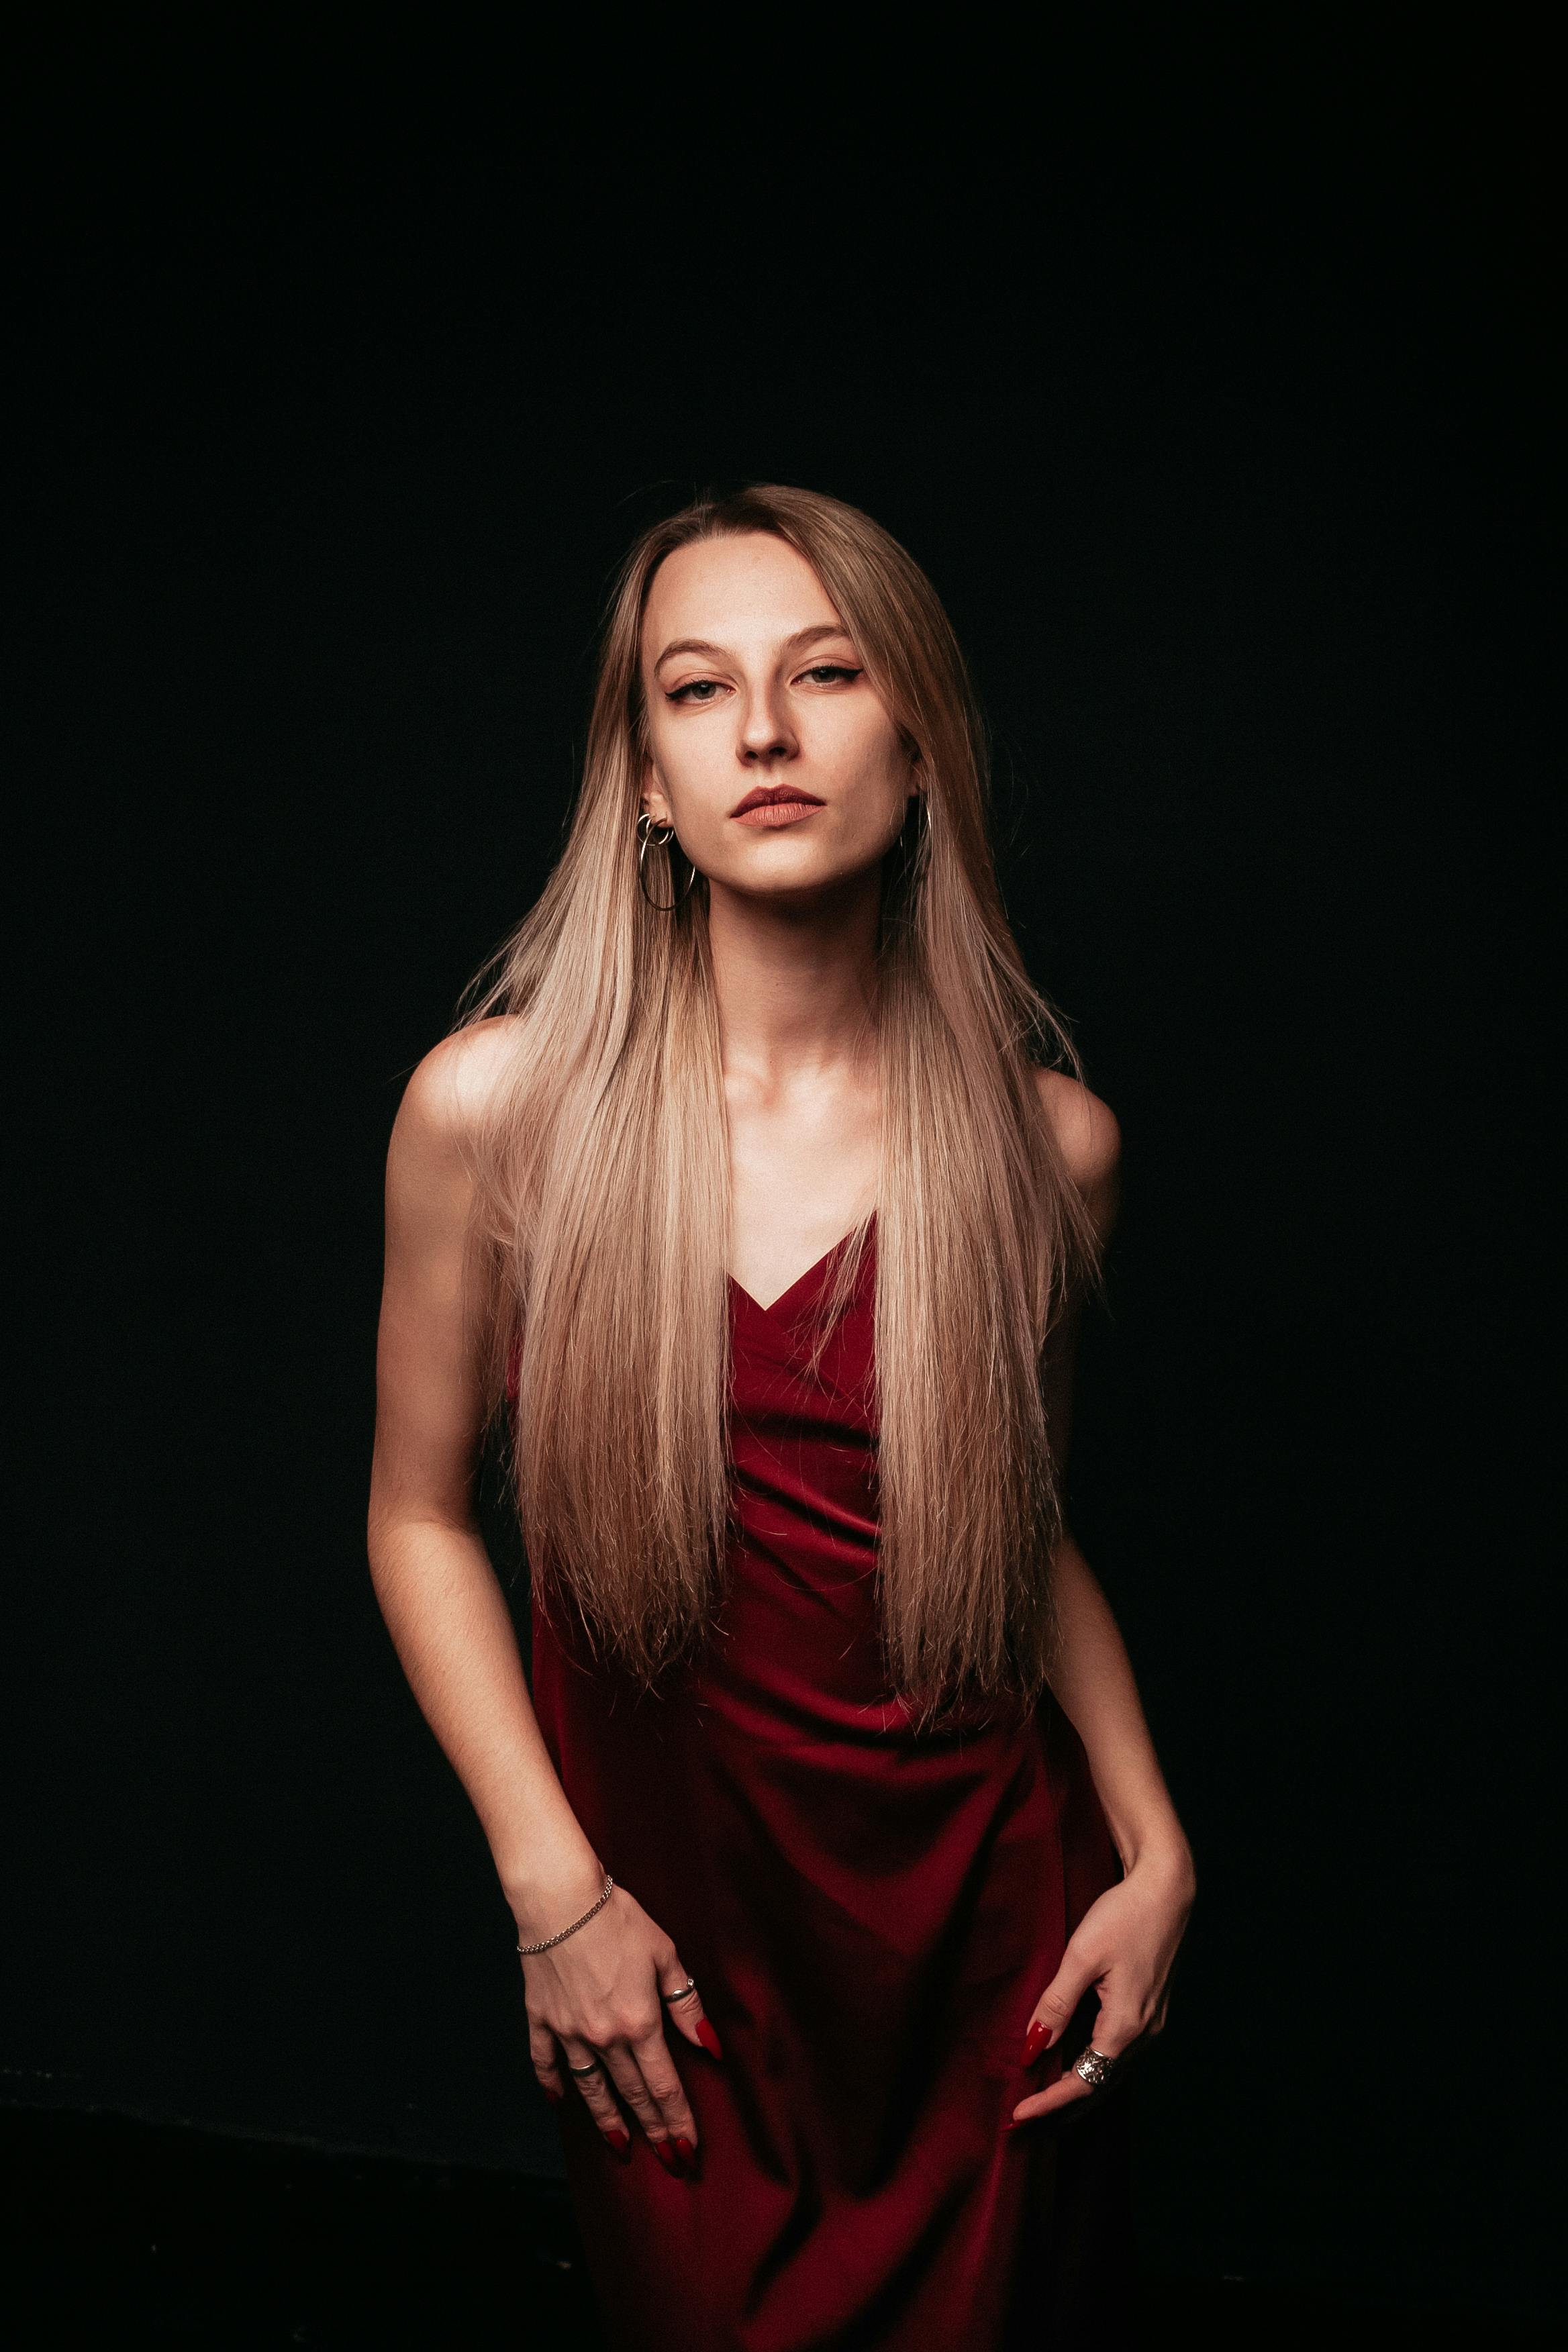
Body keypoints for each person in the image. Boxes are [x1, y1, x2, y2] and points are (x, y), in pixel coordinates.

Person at [366, 485, 1196, 2349]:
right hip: (680, 1951)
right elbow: (416, 1520)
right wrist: (551, 1891)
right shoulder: (498, 1116)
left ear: (913, 746)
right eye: (696, 687)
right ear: (646, 779)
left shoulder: (1051, 1151)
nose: (761, 729)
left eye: (825, 673)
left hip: (988, 1947)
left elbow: (1014, 1532)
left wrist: (1157, 1851)